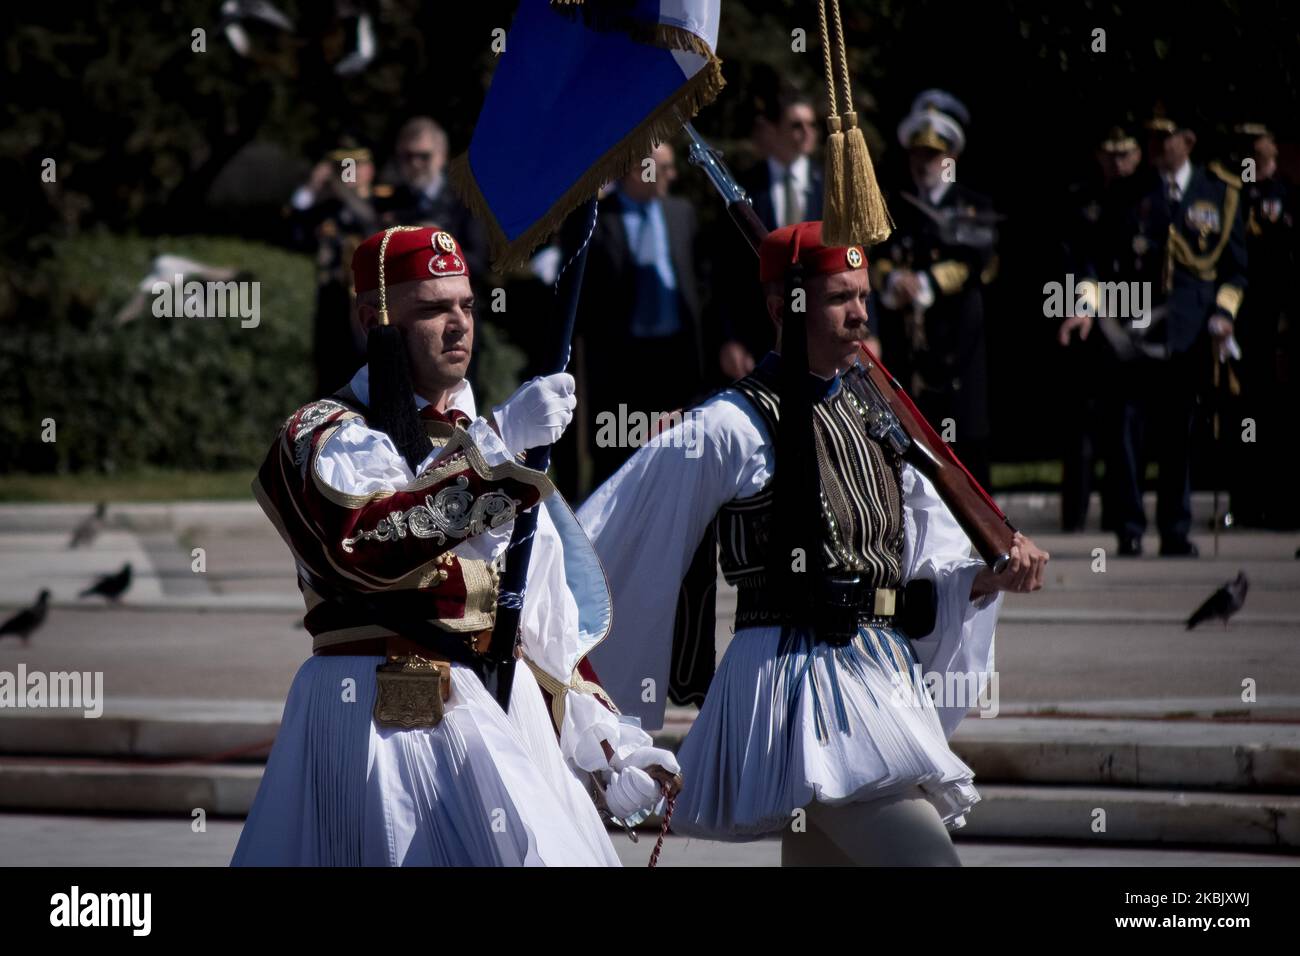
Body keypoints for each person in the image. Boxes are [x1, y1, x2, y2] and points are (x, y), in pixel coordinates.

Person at [578, 220, 1049, 865]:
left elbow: (906, 576)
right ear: (783, 307)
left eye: (863, 295)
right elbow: (614, 526)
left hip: (877, 671)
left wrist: (982, 579)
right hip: (801, 684)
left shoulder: (875, 416)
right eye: (838, 298)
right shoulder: (729, 425)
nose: (859, 314)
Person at [232, 225, 678, 866]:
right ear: (372, 320)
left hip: (503, 708)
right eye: (433, 309)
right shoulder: (323, 433)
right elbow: (366, 545)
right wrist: (497, 445)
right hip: (374, 721)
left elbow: (538, 620)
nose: (459, 325)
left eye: (467, 305)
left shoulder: (486, 440)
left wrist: (608, 747)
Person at [1061, 115, 1247, 557]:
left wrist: (1224, 313)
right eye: (1152, 138)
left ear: (1188, 140)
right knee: (1125, 432)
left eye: (1165, 137)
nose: (1157, 145)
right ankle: (1129, 528)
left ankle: (1176, 528)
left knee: (1178, 434)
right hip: (1132, 332)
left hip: (1186, 335)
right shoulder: (1128, 193)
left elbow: (1235, 269)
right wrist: (1086, 304)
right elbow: (1095, 260)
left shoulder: (1219, 193)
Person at [560, 142, 708, 496]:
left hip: (675, 357)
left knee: (680, 454)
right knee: (619, 459)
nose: (672, 175)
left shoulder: (681, 212)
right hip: (621, 363)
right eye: (664, 168)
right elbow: (575, 295)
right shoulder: (593, 219)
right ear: (635, 170)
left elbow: (699, 280)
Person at [871, 93, 998, 491]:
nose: (923, 165)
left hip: (958, 344)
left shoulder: (972, 207)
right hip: (911, 349)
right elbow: (878, 258)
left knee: (967, 450)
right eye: (918, 156)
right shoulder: (895, 208)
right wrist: (893, 281)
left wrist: (926, 283)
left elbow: (981, 263)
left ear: (951, 158)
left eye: (933, 156)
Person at [1055, 126, 1143, 532]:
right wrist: (1082, 301)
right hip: (1088, 329)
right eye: (1110, 155)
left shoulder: (1146, 200)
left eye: (1124, 155)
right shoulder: (1082, 200)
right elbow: (1077, 258)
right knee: (1080, 433)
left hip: (1132, 328)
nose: (1117, 164)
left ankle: (1123, 517)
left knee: (1123, 428)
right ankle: (1074, 518)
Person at [717, 87, 827, 382]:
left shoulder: (830, 186)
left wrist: (868, 330)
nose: (806, 132)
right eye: (795, 125)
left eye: (811, 124)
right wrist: (729, 338)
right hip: (759, 338)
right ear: (773, 130)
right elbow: (724, 271)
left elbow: (857, 258)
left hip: (823, 330)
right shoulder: (743, 189)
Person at [288, 139, 381, 396]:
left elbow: (370, 224)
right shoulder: (326, 208)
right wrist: (311, 187)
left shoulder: (381, 203)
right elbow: (294, 232)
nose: (348, 173)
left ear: (369, 170)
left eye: (354, 166)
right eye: (342, 167)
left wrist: (342, 191)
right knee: (328, 378)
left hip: (369, 305)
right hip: (332, 303)